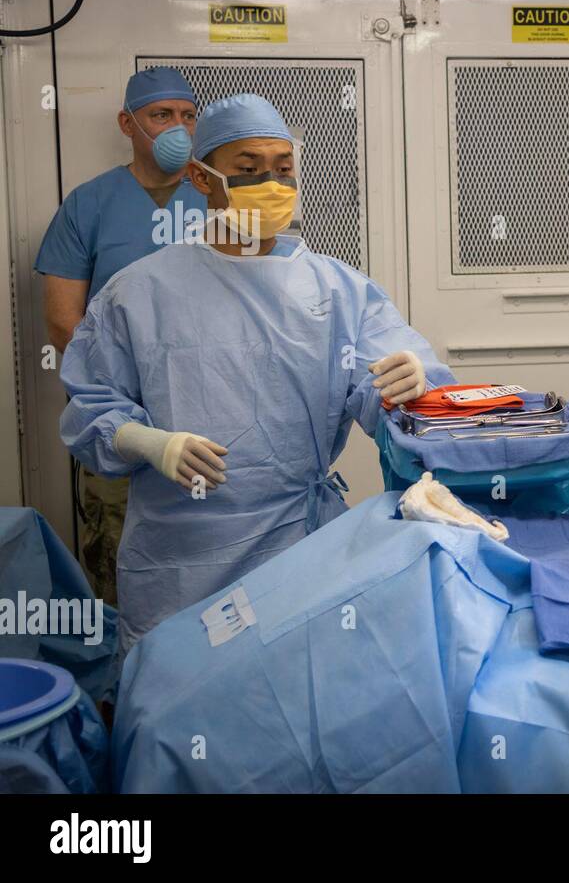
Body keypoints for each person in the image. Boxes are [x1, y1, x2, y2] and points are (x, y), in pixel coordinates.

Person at [60, 93, 454, 656]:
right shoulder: (140, 291)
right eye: (247, 171)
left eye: (283, 169)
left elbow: (391, 394)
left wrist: (413, 384)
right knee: (178, 698)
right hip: (183, 554)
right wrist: (146, 440)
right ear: (201, 178)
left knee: (294, 700)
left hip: (301, 544)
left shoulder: (338, 290)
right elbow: (89, 409)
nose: (270, 184)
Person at [34, 67, 206, 607]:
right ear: (128, 124)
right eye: (162, 116)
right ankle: (120, 683)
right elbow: (65, 321)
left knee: (210, 553)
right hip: (119, 418)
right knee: (118, 555)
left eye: (187, 116)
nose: (178, 128)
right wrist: (131, 404)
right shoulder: (90, 205)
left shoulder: (216, 197)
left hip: (209, 411)